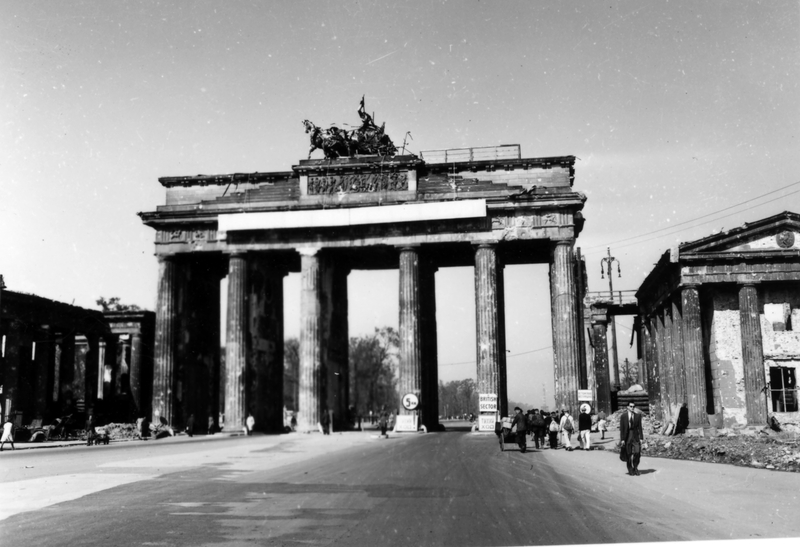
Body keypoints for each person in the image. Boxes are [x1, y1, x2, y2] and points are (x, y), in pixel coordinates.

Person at [620, 402, 646, 475]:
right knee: (628, 453)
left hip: (635, 436)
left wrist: (641, 437)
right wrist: (622, 439)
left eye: (633, 406)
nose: (632, 408)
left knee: (637, 452)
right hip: (627, 436)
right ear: (627, 407)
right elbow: (622, 428)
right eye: (631, 406)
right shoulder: (623, 416)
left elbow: (640, 427)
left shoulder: (637, 416)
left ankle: (635, 467)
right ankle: (630, 469)